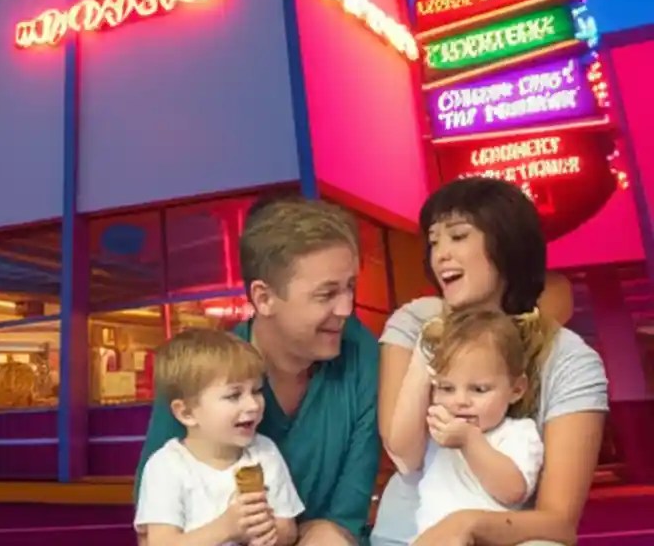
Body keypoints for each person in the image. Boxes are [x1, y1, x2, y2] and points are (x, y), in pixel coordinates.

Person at [373, 177, 609, 546]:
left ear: (506, 243)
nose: (441, 254)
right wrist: (429, 346)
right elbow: (404, 456)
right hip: (406, 536)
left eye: (458, 236)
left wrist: (468, 524)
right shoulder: (417, 321)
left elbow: (560, 523)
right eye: (434, 242)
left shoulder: (569, 360)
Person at [136, 196, 380, 545]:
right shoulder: (198, 374)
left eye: (350, 287)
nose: (346, 308)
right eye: (326, 294)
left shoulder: (361, 352)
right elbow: (152, 536)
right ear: (264, 298)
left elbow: (345, 515)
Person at [135, 328, 304, 546]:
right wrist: (227, 529)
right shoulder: (166, 466)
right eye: (234, 395)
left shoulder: (265, 452)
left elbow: (288, 529)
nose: (253, 405)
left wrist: (268, 534)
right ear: (187, 413)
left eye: (256, 391)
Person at [394, 308, 545, 534]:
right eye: (446, 388)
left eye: (479, 389)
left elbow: (513, 491)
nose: (460, 401)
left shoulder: (518, 433)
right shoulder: (436, 433)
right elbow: (401, 451)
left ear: (516, 389)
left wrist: (469, 440)